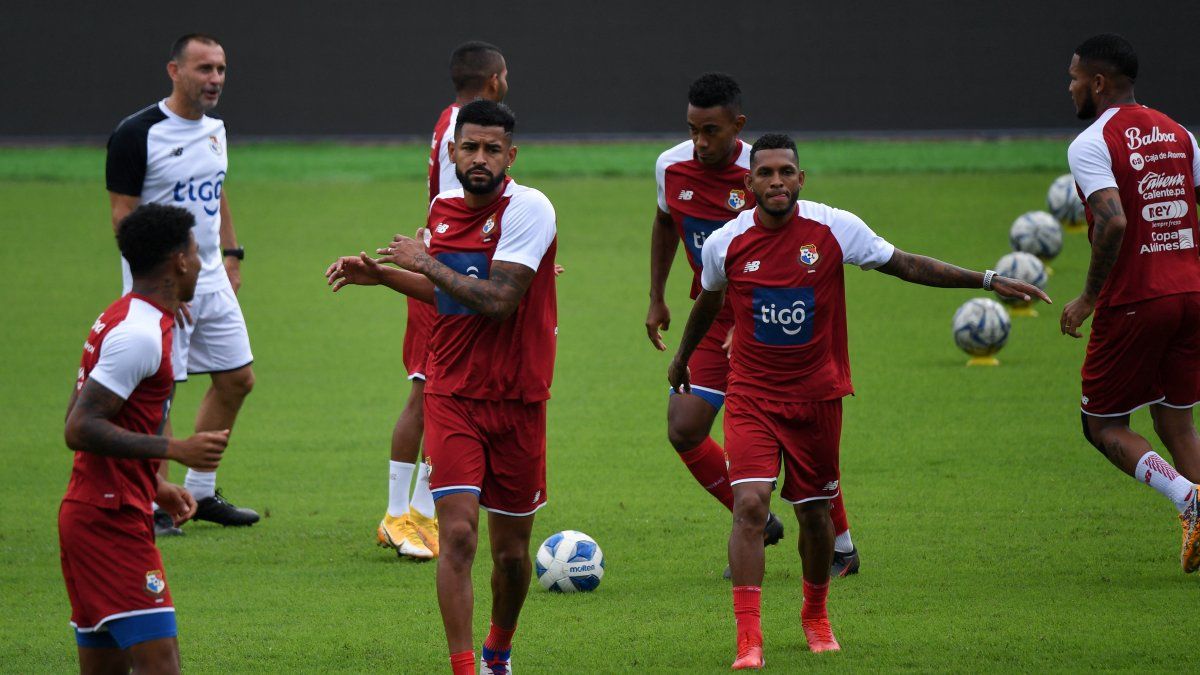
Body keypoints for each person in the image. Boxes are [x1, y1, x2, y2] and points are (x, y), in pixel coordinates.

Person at [667, 134, 1048, 667]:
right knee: (750, 505)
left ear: (802, 179)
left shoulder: (833, 227)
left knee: (816, 516)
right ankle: (748, 639)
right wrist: (683, 358)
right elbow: (708, 301)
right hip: (751, 395)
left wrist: (984, 279)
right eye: (766, 173)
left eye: (786, 172)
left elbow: (907, 264)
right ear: (748, 183)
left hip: (817, 398)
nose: (777, 181)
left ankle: (815, 614)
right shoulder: (725, 242)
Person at [326, 100, 557, 675]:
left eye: (492, 149)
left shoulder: (529, 210)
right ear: (452, 151)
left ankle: (497, 652)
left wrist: (426, 263)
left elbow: (499, 303)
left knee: (510, 556)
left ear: (511, 155)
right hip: (452, 394)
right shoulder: (444, 206)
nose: (480, 159)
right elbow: (452, 295)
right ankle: (463, 668)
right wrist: (384, 276)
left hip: (519, 399)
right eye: (469, 147)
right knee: (457, 536)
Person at [648, 73, 859, 577]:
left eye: (712, 131)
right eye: (693, 130)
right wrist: (656, 296)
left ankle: (842, 546)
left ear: (737, 126)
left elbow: (790, 252)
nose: (700, 142)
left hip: (763, 323)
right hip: (708, 316)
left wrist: (755, 319)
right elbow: (664, 222)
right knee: (684, 427)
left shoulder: (766, 173)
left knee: (800, 438)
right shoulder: (670, 167)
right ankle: (754, 520)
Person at [60, 204, 231, 674]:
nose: (201, 263)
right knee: (162, 666)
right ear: (178, 260)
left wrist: (155, 486)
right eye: (196, 253)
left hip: (103, 509)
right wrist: (175, 450)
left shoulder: (131, 317)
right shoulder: (139, 334)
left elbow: (107, 419)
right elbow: (79, 426)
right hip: (108, 523)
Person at [105, 33, 258, 533]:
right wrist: (161, 284)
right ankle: (154, 504)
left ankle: (199, 492)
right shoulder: (137, 134)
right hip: (161, 286)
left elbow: (217, 193)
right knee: (161, 391)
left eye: (220, 69)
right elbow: (122, 216)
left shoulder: (216, 130)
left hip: (210, 277)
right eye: (204, 69)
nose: (214, 79)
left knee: (237, 379)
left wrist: (231, 255)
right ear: (175, 71)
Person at [1060, 33, 1200, 572]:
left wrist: (1089, 297)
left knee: (1101, 425)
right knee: (1176, 422)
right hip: (1190, 293)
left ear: (1097, 83)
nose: (1069, 88)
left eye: (1074, 78)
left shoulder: (1092, 142)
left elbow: (1114, 218)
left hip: (1137, 300)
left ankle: (1187, 498)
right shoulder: (1179, 133)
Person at [378, 41, 511, 561]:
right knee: (430, 392)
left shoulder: (448, 120)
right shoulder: (471, 131)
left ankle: (420, 513)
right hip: (450, 271)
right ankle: (399, 516)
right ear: (494, 80)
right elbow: (466, 208)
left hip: (456, 264)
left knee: (443, 391)